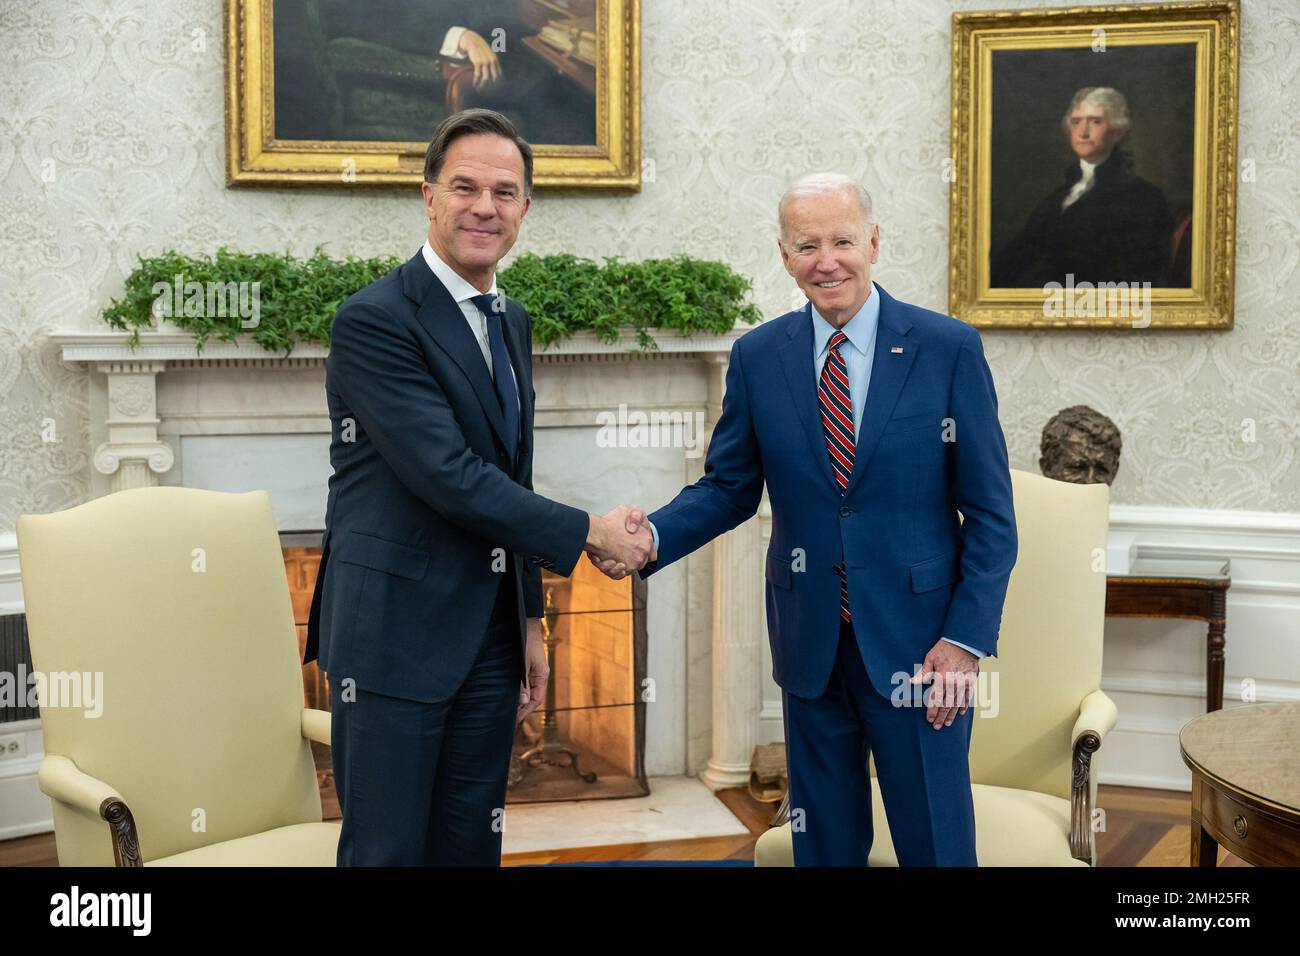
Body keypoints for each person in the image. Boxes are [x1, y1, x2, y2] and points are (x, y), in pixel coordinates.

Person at [600, 173, 1018, 866]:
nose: (827, 262)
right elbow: (730, 488)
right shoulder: (758, 357)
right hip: (811, 644)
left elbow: (992, 515)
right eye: (807, 245)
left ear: (874, 243)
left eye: (842, 241)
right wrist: (652, 538)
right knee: (821, 847)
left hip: (922, 650)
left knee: (936, 845)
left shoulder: (948, 349)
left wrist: (963, 641)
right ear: (784, 255)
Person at [303, 108, 652, 866]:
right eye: (465, 187)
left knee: (470, 850)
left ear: (525, 208)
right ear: (429, 196)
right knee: (387, 853)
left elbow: (507, 476)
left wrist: (528, 621)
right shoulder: (374, 320)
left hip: (488, 642)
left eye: (504, 192)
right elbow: (450, 477)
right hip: (393, 640)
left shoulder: (510, 319)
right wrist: (593, 532)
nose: (484, 207)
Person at [990, 87, 1172, 288]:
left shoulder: (1142, 197)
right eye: (1076, 122)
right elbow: (1018, 255)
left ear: (1118, 131)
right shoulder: (1058, 197)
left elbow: (1137, 274)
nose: (1083, 132)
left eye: (1095, 121)